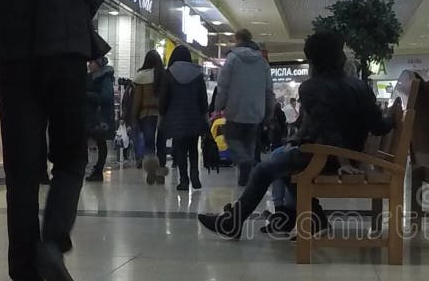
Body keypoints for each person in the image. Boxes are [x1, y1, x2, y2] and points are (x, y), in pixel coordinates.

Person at [0, 0, 109, 281]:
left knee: (22, 176)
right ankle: (52, 242)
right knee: (70, 158)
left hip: (15, 56)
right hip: (66, 53)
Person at [198, 31, 393, 239]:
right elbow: (379, 127)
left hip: (326, 157)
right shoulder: (360, 86)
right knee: (285, 162)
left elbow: (327, 126)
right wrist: (395, 115)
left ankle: (232, 223)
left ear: (313, 60)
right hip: (351, 156)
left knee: (264, 170)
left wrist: (341, 159)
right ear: (339, 57)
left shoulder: (312, 87)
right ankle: (314, 220)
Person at [215, 29, 274, 186]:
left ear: (237, 39)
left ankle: (244, 161)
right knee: (249, 142)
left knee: (232, 138)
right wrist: (269, 111)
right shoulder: (262, 62)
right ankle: (244, 178)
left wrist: (218, 106)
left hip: (235, 108)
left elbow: (223, 85)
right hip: (256, 110)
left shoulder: (233, 58)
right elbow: (269, 90)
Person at [159, 45, 208, 191]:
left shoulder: (169, 74)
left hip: (175, 119)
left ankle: (184, 180)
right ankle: (195, 175)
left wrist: (162, 115)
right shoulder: (198, 75)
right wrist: (205, 115)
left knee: (179, 149)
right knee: (193, 148)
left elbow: (163, 99)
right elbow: (203, 99)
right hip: (194, 118)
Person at [132, 50, 168, 185]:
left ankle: (151, 170)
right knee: (162, 145)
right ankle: (160, 174)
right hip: (163, 114)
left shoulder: (141, 77)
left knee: (149, 144)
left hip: (146, 114)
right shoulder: (165, 76)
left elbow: (137, 100)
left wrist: (134, 116)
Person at [85, 56, 115, 182]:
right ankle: (95, 170)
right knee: (98, 142)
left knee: (100, 142)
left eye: (91, 62)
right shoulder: (93, 76)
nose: (89, 65)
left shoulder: (104, 78)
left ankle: (98, 171)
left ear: (98, 64)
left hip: (100, 116)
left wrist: (87, 95)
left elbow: (107, 96)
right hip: (94, 115)